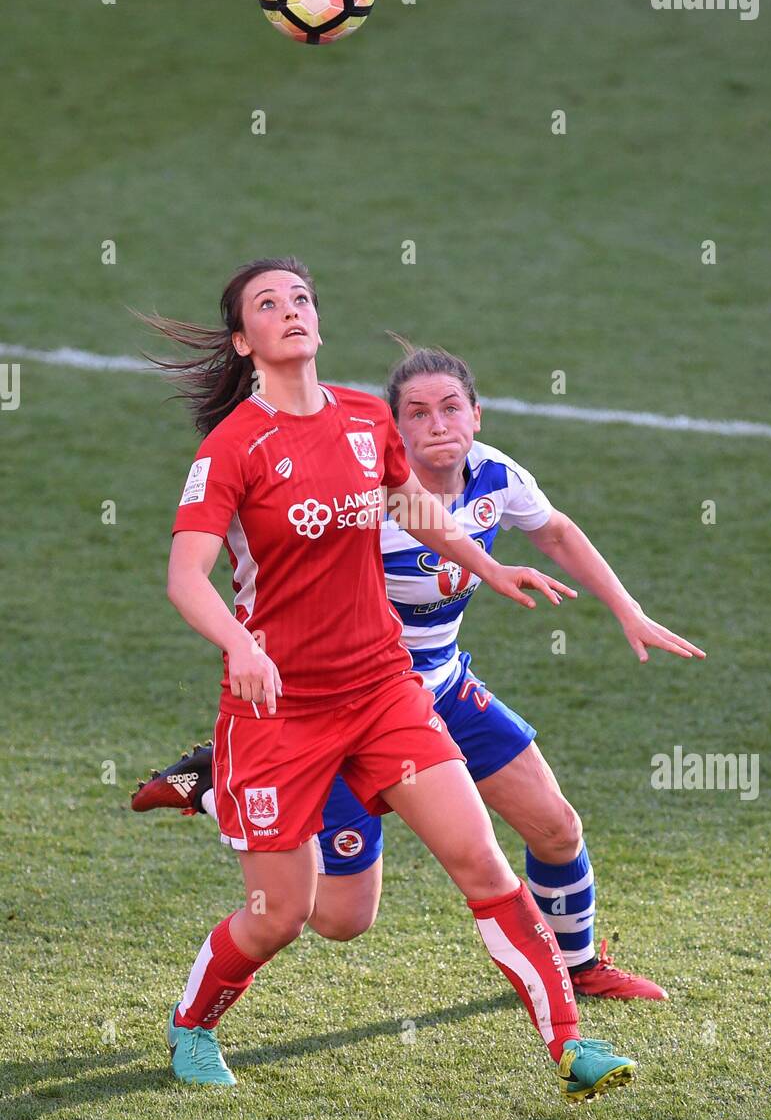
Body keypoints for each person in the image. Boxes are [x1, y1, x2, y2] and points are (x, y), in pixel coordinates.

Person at [141, 255, 638, 1101]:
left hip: (382, 690)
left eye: (301, 297)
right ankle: (193, 1024)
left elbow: (414, 509)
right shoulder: (231, 449)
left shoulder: (368, 419)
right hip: (279, 709)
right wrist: (241, 646)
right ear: (243, 340)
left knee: (483, 862)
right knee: (293, 918)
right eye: (268, 304)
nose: (291, 310)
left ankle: (569, 1045)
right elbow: (186, 575)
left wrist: (489, 565)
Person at [136, 341, 705, 999]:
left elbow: (555, 532)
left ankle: (578, 969)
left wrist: (627, 609)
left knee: (556, 825)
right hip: (355, 709)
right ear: (392, 428)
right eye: (418, 412)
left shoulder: (497, 477)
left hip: (446, 687)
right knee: (342, 920)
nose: (438, 424)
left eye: (451, 408)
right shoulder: (366, 505)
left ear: (477, 416)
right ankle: (217, 786)